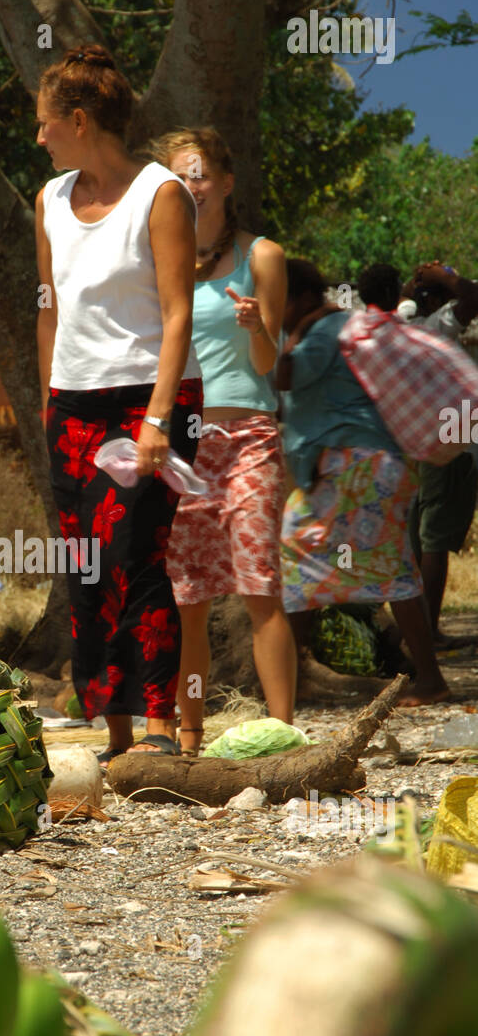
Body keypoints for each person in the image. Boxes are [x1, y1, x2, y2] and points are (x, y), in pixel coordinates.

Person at [35, 44, 201, 764]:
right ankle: (115, 731)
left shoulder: (160, 194)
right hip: (72, 401)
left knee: (136, 554)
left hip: (150, 399)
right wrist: (47, 398)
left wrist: (161, 417)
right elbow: (48, 309)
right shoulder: (47, 201)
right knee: (86, 565)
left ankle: (160, 725)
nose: (37, 137)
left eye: (44, 123)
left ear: (77, 120)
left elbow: (176, 312)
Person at [148, 127, 295, 754]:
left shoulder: (262, 255)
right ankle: (189, 737)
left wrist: (256, 325)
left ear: (228, 182)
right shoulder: (159, 255)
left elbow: (269, 361)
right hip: (185, 441)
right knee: (189, 599)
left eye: (202, 174)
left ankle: (286, 732)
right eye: (182, 176)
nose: (193, 186)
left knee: (260, 585)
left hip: (251, 434)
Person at [279, 258, 450, 705]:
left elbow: (283, 376)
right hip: (368, 465)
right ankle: (295, 671)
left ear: (296, 298)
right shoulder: (337, 326)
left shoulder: (322, 331)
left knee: (300, 553)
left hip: (358, 466)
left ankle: (293, 672)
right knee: (381, 565)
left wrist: (259, 337)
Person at [361, 261, 478, 643]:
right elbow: (473, 297)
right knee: (435, 542)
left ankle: (420, 630)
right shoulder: (438, 325)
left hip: (406, 445)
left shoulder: (392, 328)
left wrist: (409, 289)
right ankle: (428, 631)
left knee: (415, 539)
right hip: (447, 445)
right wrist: (447, 277)